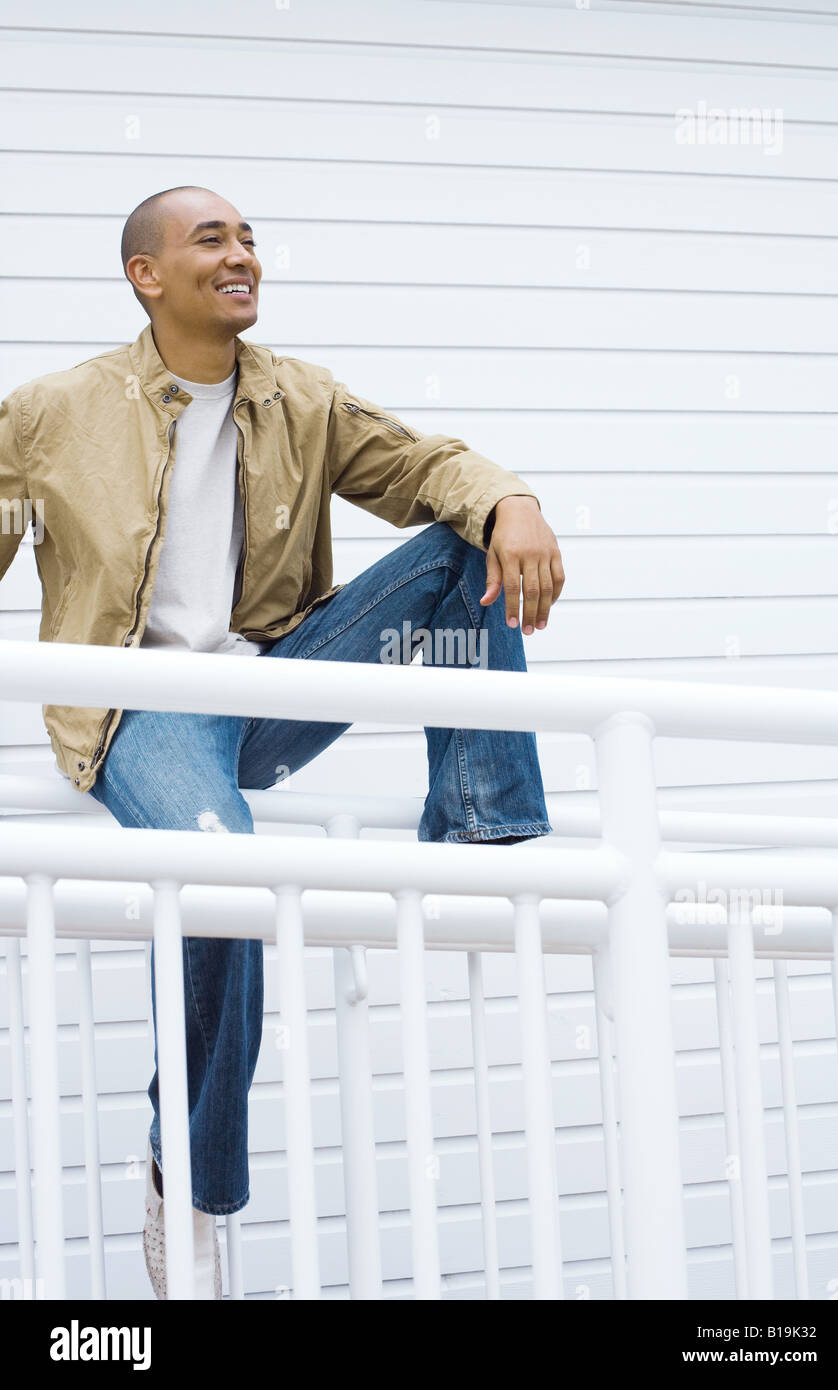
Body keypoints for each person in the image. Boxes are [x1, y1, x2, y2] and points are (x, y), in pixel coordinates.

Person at [0, 185, 565, 1299]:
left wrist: (512, 501)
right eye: (211, 238)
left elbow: (424, 467)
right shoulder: (54, 410)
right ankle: (193, 1180)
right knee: (230, 880)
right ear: (145, 275)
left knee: (462, 545)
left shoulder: (298, 398)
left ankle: (482, 833)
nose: (241, 254)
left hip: (269, 689)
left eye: (250, 238)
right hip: (140, 707)